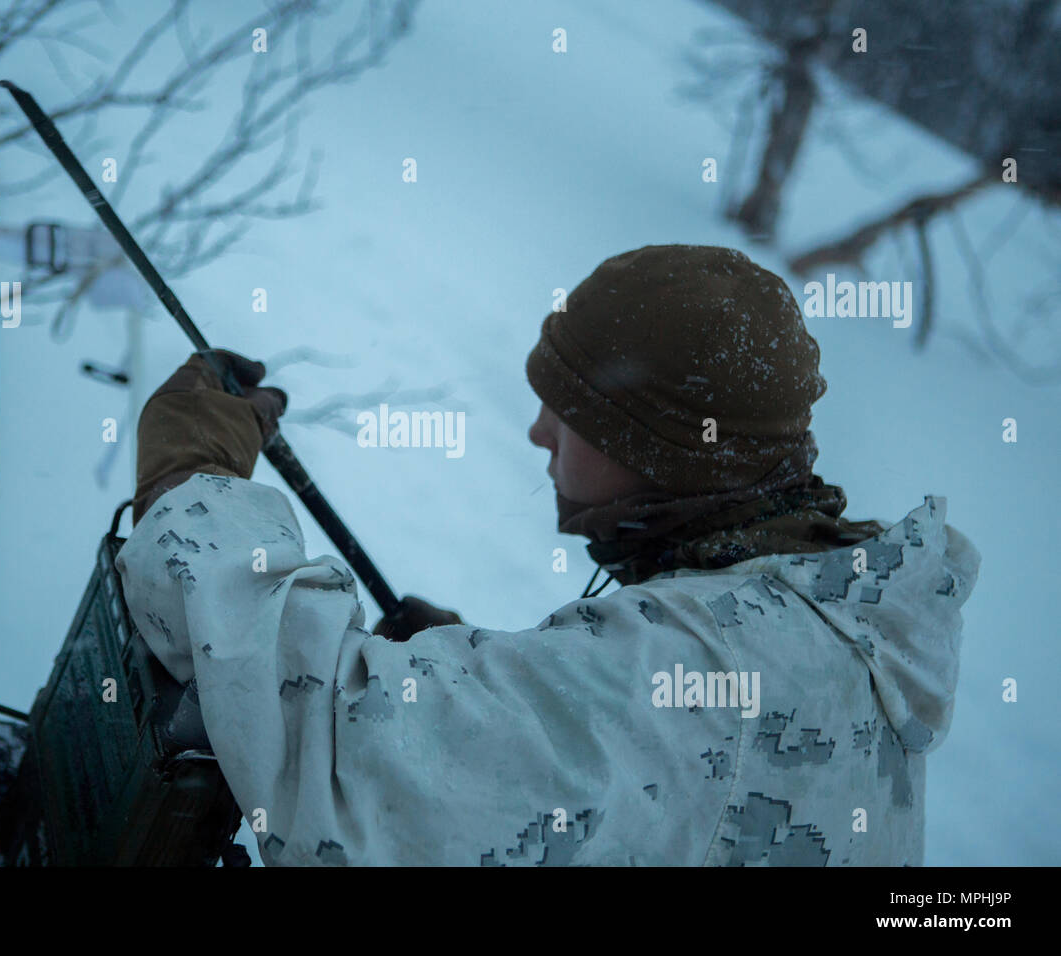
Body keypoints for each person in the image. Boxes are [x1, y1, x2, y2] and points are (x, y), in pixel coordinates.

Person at [117, 244, 980, 866]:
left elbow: (332, 769)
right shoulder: (832, 616)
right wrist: (486, 689)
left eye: (573, 414)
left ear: (661, 449)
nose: (537, 432)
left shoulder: (697, 672)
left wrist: (190, 480)